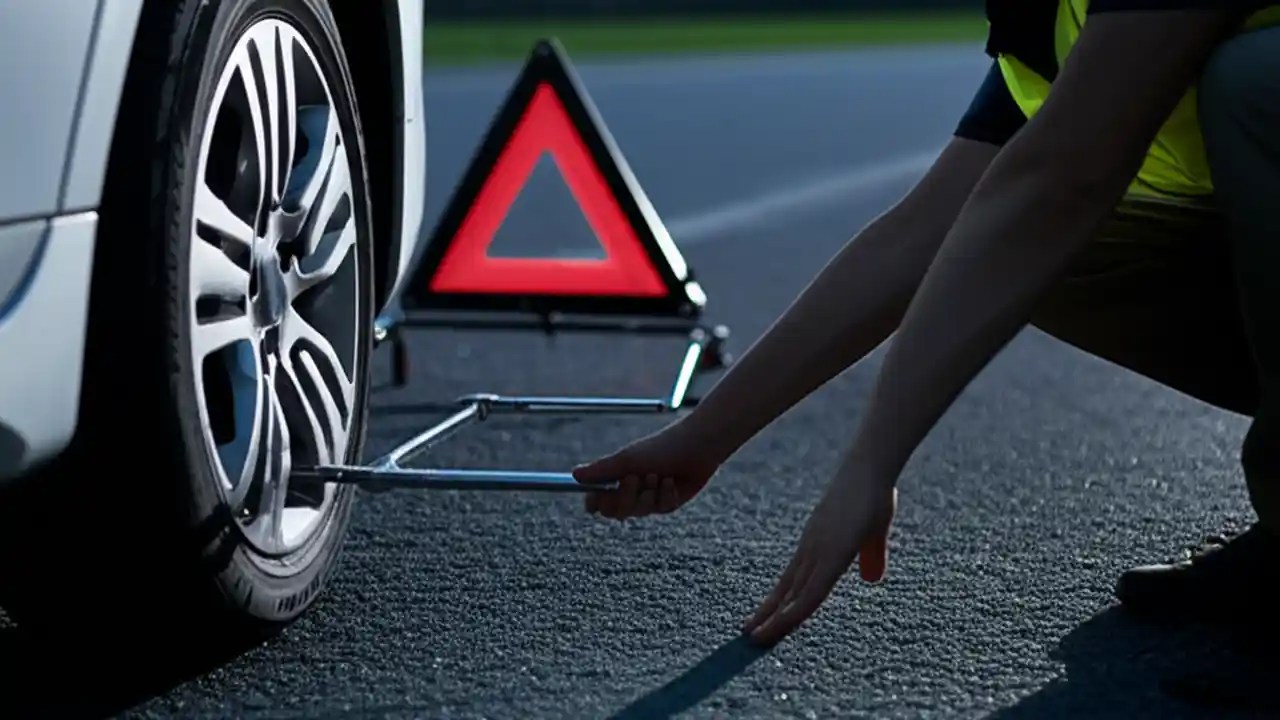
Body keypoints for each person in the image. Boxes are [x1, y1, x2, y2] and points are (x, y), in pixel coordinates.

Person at [572, 0, 1280, 648]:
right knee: (1003, 245)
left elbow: (1064, 179)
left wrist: (873, 461)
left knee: (1249, 85)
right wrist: (705, 438)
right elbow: (924, 233)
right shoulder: (1051, 16)